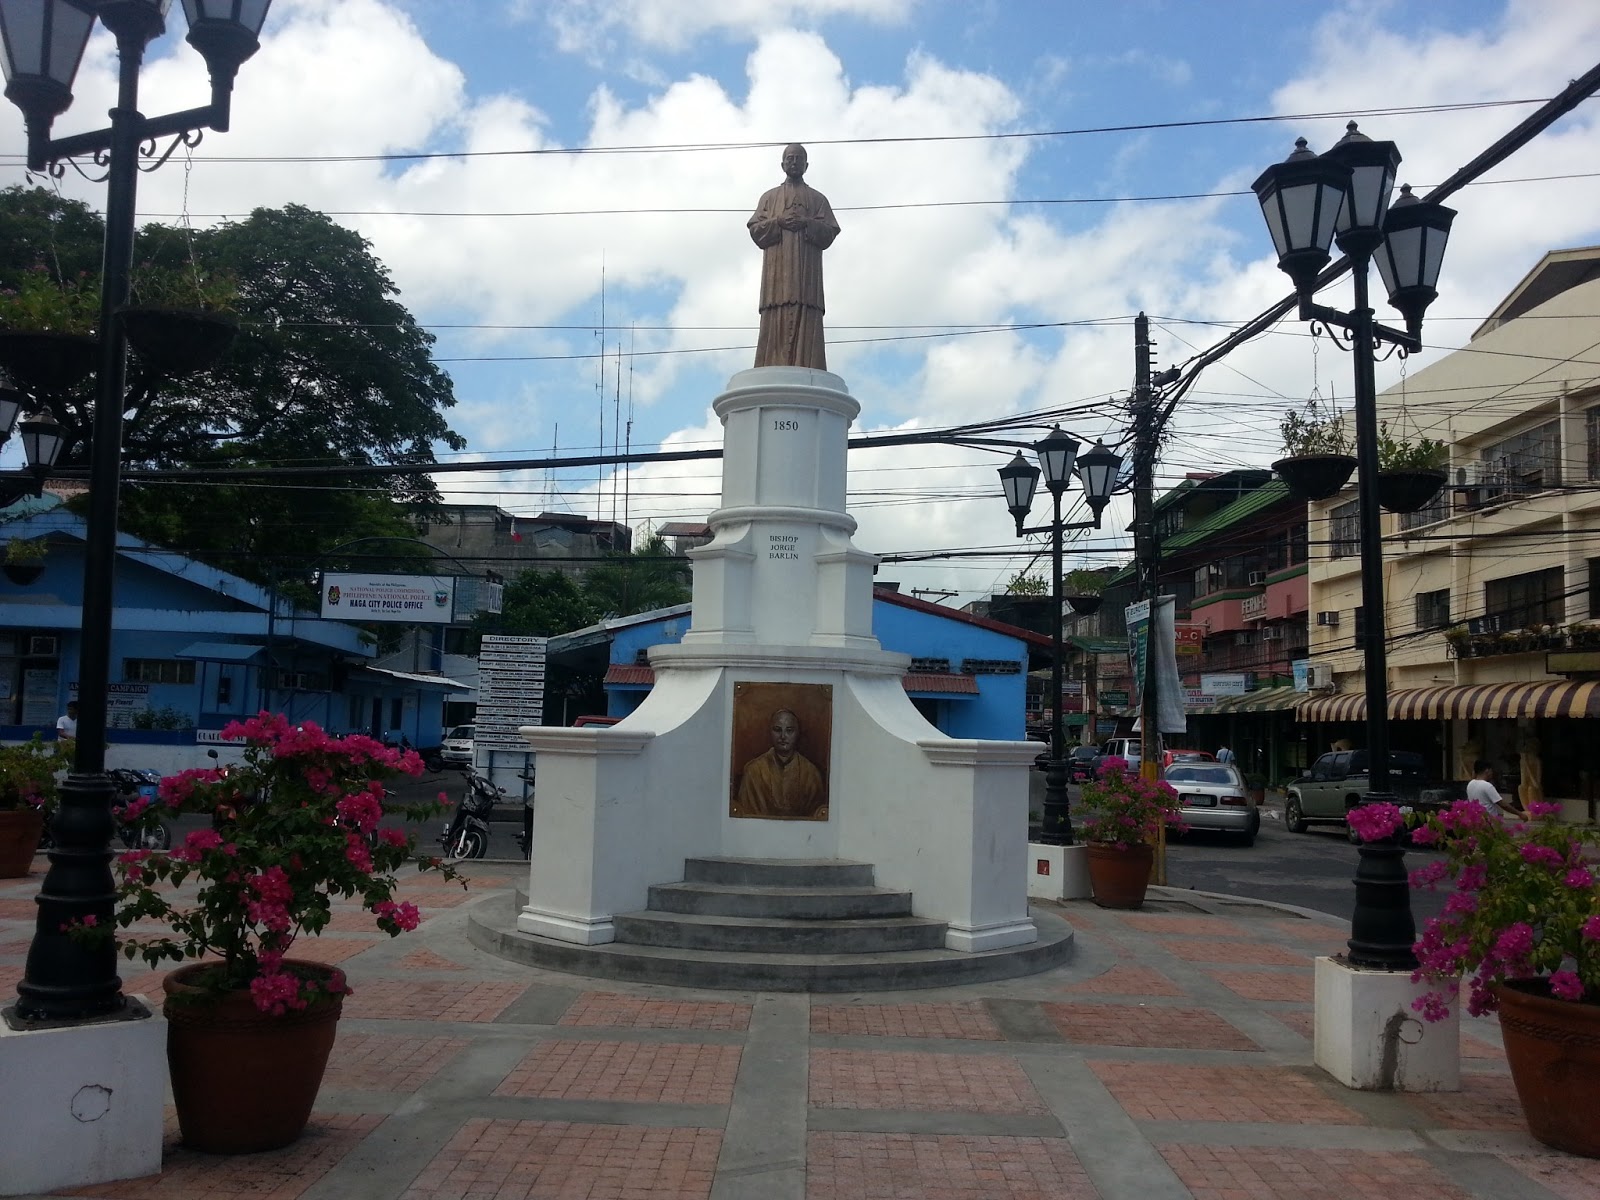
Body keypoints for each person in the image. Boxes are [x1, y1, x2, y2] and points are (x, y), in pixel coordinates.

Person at [747, 144, 840, 369]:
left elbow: (829, 232)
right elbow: (755, 230)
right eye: (790, 158)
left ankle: (807, 363)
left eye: (799, 159)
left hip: (807, 277)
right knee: (774, 312)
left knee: (807, 314)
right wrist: (778, 222)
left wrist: (807, 223)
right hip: (776, 275)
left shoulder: (818, 199)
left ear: (806, 165)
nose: (794, 162)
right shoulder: (769, 198)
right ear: (782, 164)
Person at [735, 708, 825, 819]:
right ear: (770, 732)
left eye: (789, 730)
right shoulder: (753, 771)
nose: (783, 736)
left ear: (797, 733)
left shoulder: (811, 773)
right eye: (777, 730)